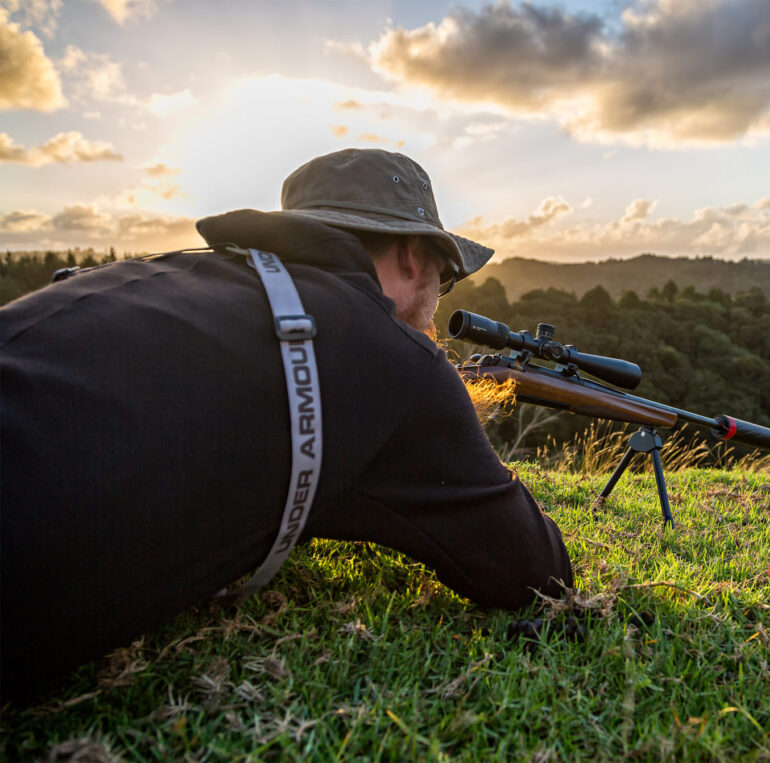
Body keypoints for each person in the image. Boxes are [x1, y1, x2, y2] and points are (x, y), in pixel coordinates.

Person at [0, 149, 573, 701]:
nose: (436, 301)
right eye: (444, 280)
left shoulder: (163, 272)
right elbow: (534, 570)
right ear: (410, 254)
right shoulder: (394, 359)